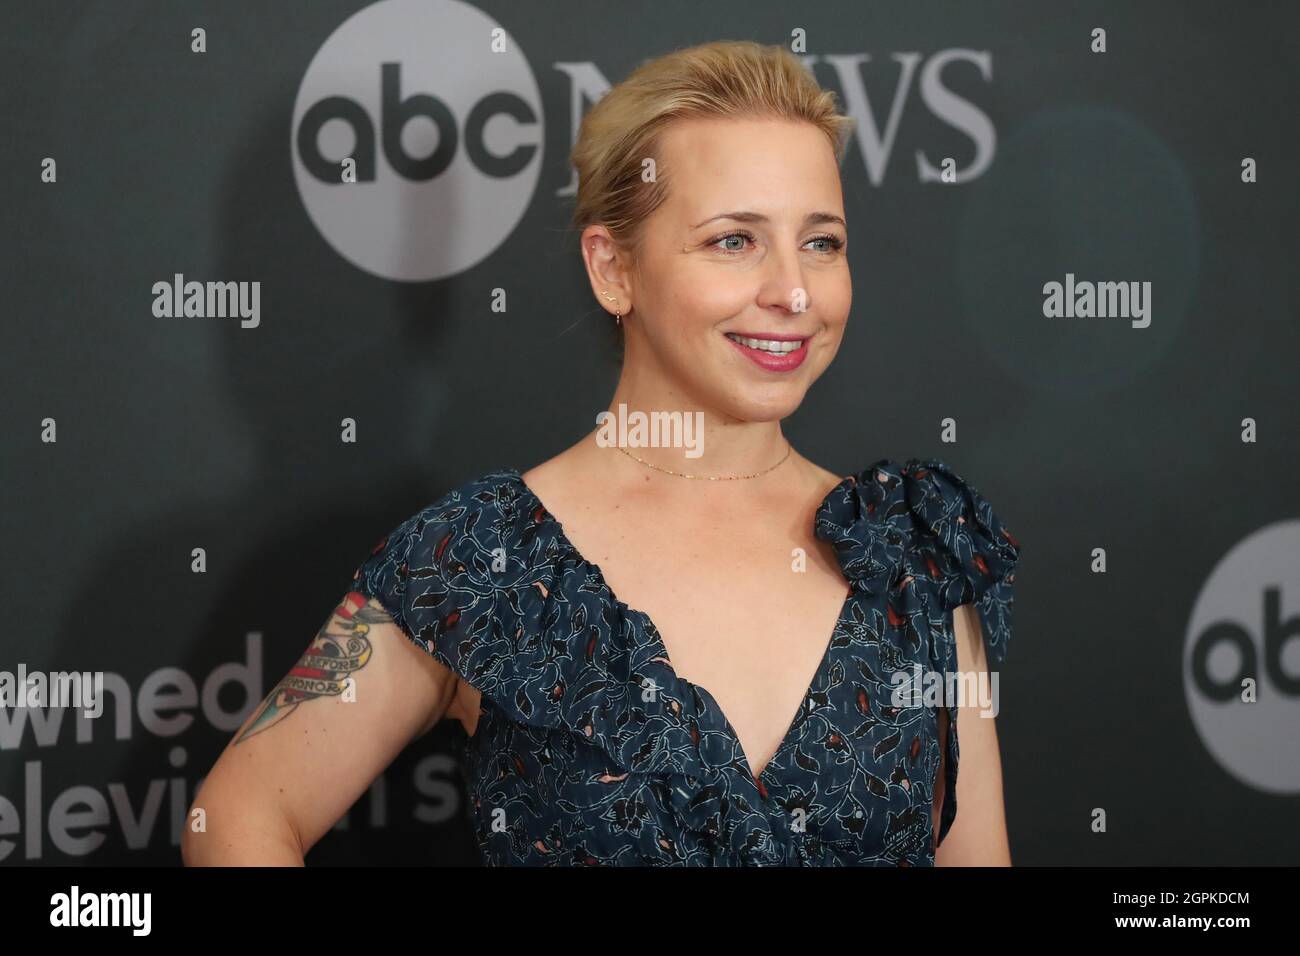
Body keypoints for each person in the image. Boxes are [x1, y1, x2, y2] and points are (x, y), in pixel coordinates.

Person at [183, 39, 1022, 867]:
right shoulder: (487, 558)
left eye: (822, 242)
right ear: (612, 267)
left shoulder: (912, 549)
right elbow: (240, 816)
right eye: (734, 240)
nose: (792, 290)